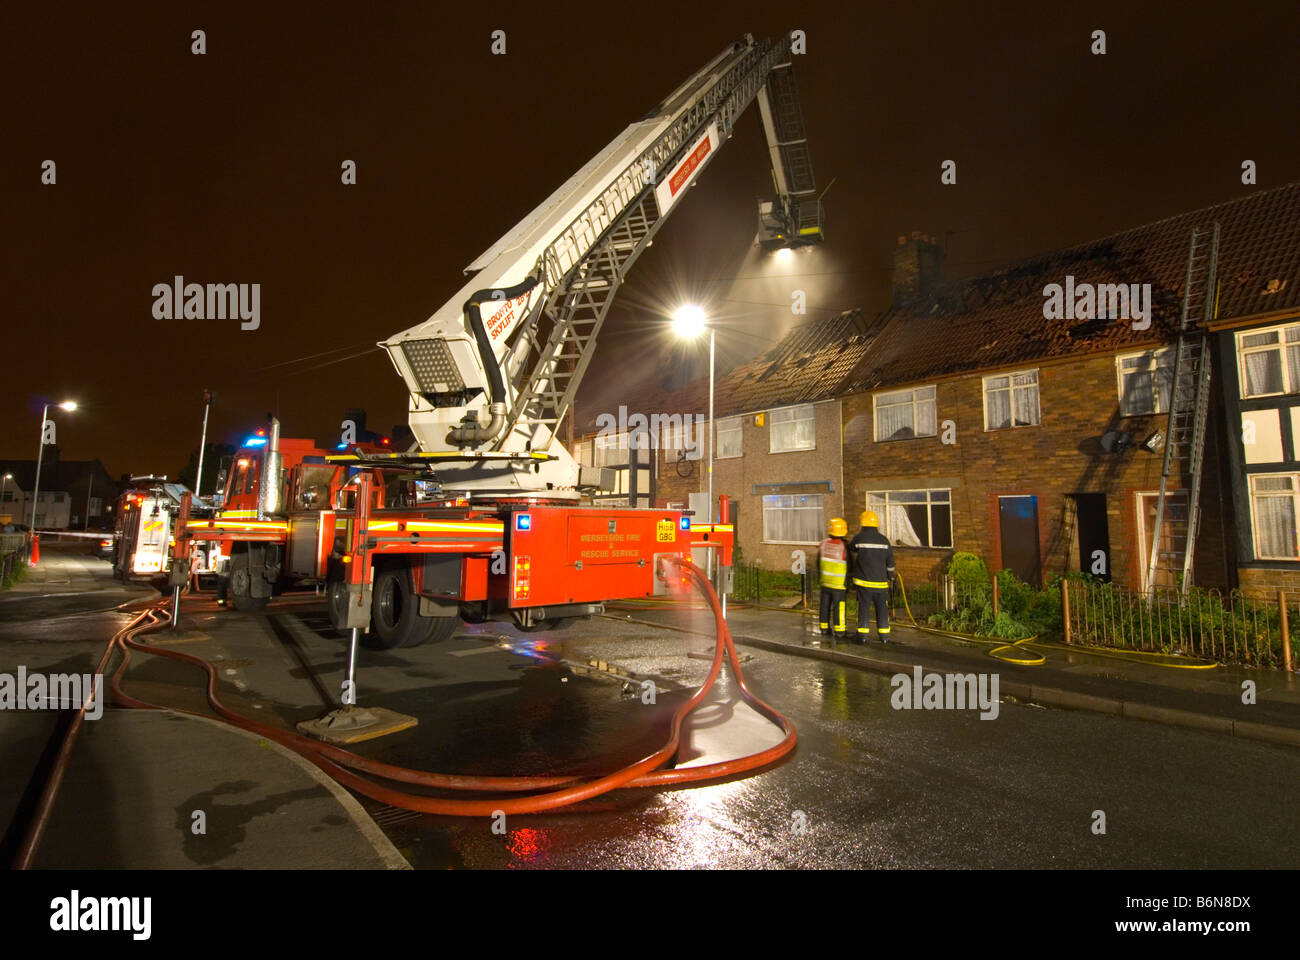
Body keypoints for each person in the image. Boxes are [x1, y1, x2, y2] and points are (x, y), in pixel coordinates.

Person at [849, 510, 894, 643]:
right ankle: (884, 637)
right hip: (881, 584)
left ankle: (862, 636)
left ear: (863, 524)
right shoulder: (884, 540)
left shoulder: (860, 538)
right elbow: (890, 562)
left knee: (863, 609)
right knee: (882, 610)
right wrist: (890, 577)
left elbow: (851, 548)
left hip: (864, 584)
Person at [817, 517, 850, 641]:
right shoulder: (844, 546)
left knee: (824, 606)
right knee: (838, 607)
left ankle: (824, 628)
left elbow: (817, 563)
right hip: (839, 585)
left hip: (825, 582)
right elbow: (849, 566)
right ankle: (840, 631)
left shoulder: (823, 544)